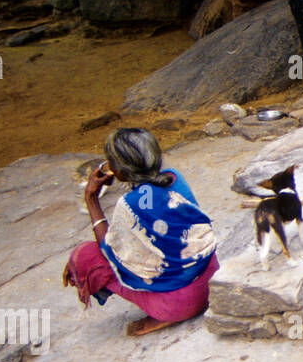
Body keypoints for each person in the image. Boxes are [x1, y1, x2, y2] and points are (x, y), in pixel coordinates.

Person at [63, 128, 219, 337]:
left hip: (178, 303)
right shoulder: (174, 178)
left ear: (117, 171)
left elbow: (109, 251)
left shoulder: (128, 205)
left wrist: (91, 199)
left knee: (85, 256)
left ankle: (163, 314)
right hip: (211, 278)